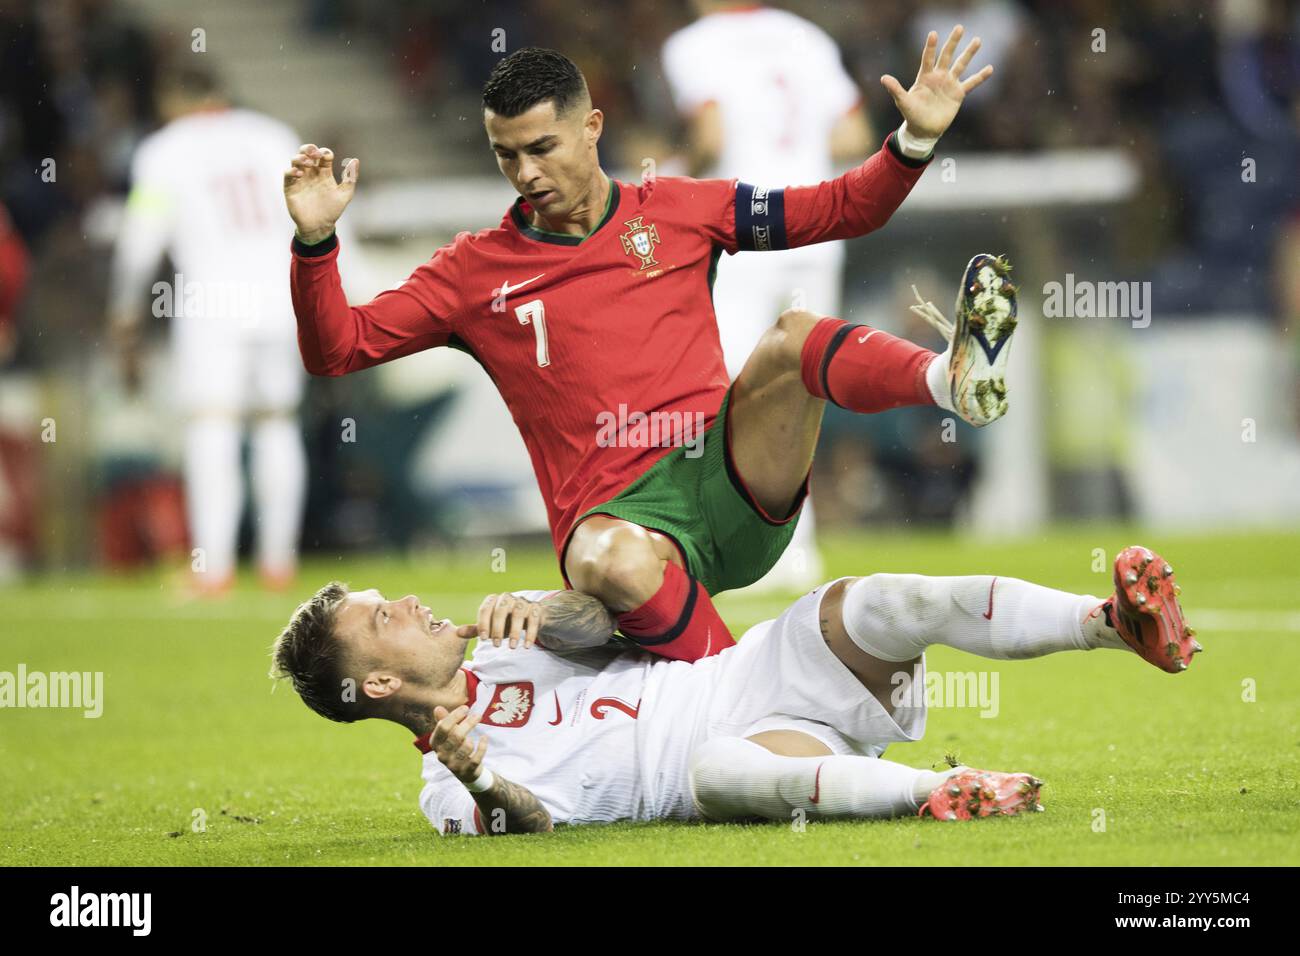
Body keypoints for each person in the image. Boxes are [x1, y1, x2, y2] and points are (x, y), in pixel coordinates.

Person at [286, 30, 1003, 662]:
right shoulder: (473, 272)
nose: (527, 174)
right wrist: (316, 243)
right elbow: (336, 350)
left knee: (792, 334)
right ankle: (738, 700)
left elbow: (845, 207)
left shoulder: (681, 209)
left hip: (732, 484)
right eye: (506, 156)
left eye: (542, 148)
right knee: (614, 558)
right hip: (622, 529)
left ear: (592, 127)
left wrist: (912, 142)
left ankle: (948, 381)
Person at [270, 545, 1200, 835]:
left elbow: (610, 628)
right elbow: (529, 825)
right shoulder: (446, 789)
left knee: (880, 599)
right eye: (385, 616)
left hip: (750, 671)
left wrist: (550, 612)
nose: (410, 601)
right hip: (740, 762)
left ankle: (1114, 623)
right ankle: (946, 793)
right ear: (381, 681)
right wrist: (477, 777)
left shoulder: (502, 640)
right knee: (719, 773)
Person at [661, 0, 878, 590]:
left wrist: (667, 169)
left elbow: (711, 135)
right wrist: (792, 156)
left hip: (743, 229)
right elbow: (853, 133)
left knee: (729, 388)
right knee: (803, 384)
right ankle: (797, 549)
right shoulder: (805, 36)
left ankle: (734, 546)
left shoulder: (695, 43)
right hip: (812, 226)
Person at [108, 65, 312, 594]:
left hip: (212, 302)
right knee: (277, 421)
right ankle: (278, 562)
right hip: (281, 294)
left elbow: (141, 233)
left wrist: (126, 303)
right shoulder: (271, 135)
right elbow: (320, 212)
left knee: (212, 423)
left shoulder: (165, 149)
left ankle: (213, 566)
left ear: (173, 99)